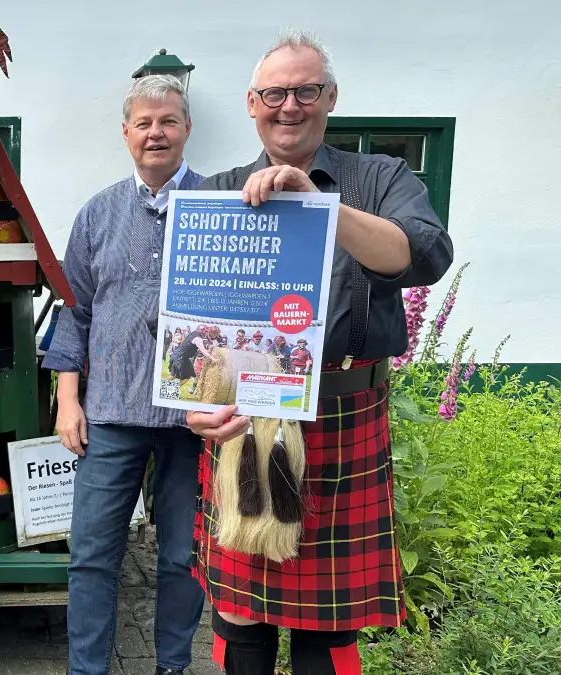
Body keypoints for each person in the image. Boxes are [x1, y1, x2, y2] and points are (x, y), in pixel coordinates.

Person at [187, 30, 453, 675]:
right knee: (240, 611)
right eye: (274, 93)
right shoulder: (218, 192)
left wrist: (321, 206)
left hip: (343, 418)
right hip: (242, 418)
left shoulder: (380, 176)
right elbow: (187, 317)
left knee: (329, 619)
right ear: (252, 103)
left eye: (306, 90)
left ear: (330, 97)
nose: (290, 105)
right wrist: (193, 406)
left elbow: (424, 256)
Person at [42, 74, 207, 675]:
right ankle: (87, 669)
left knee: (183, 555)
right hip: (111, 411)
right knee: (91, 553)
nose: (155, 133)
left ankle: (172, 665)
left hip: (195, 416)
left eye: (167, 121)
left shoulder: (219, 206)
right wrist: (68, 398)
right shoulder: (97, 214)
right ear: (126, 133)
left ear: (187, 128)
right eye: (144, 123)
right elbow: (74, 308)